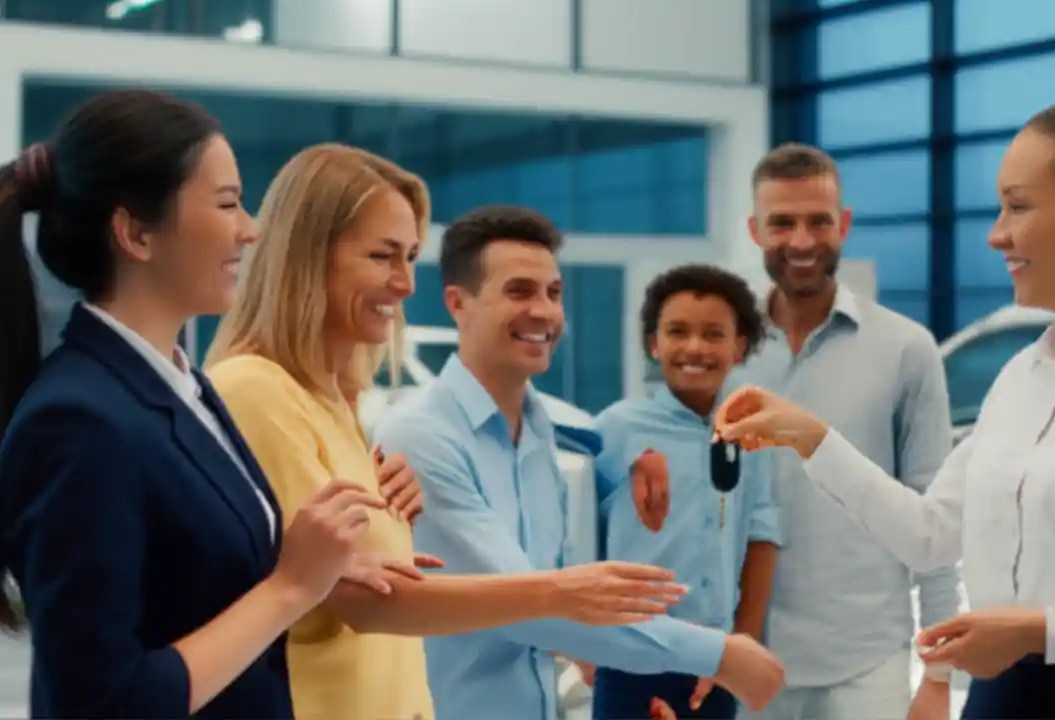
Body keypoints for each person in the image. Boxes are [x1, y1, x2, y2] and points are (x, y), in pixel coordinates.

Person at [712, 98, 1055, 719]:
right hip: (996, 702)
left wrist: (1041, 632)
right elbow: (928, 536)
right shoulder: (1020, 380)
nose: (996, 233)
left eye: (1019, 206)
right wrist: (811, 437)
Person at [204, 144, 691, 720]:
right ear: (311, 257)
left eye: (410, 257)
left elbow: (358, 586)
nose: (406, 284)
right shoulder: (256, 390)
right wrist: (566, 593)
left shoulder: (334, 408)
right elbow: (366, 602)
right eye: (385, 256)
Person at [0, 90, 389, 718]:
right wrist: (291, 586)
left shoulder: (180, 386)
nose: (251, 228)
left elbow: (190, 587)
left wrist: (318, 568)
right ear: (135, 233)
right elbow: (105, 702)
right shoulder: (77, 421)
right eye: (228, 203)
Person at [372, 205, 787, 720]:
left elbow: (603, 451)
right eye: (519, 291)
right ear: (458, 303)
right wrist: (721, 653)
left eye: (554, 293)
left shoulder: (544, 430)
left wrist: (639, 462)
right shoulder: (422, 438)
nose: (545, 312)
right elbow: (531, 607)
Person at [726, 142, 961, 720]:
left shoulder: (906, 349)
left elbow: (933, 522)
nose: (802, 242)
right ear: (755, 230)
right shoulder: (724, 352)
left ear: (845, 225)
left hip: (868, 663)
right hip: (747, 657)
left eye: (818, 222)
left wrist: (936, 678)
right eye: (782, 223)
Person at [586, 264, 782, 720]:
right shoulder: (615, 431)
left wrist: (742, 643)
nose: (695, 347)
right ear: (654, 343)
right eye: (677, 332)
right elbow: (578, 543)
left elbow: (761, 536)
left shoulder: (751, 436)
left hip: (713, 661)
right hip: (630, 653)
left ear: (739, 347)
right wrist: (584, 647)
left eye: (713, 334)